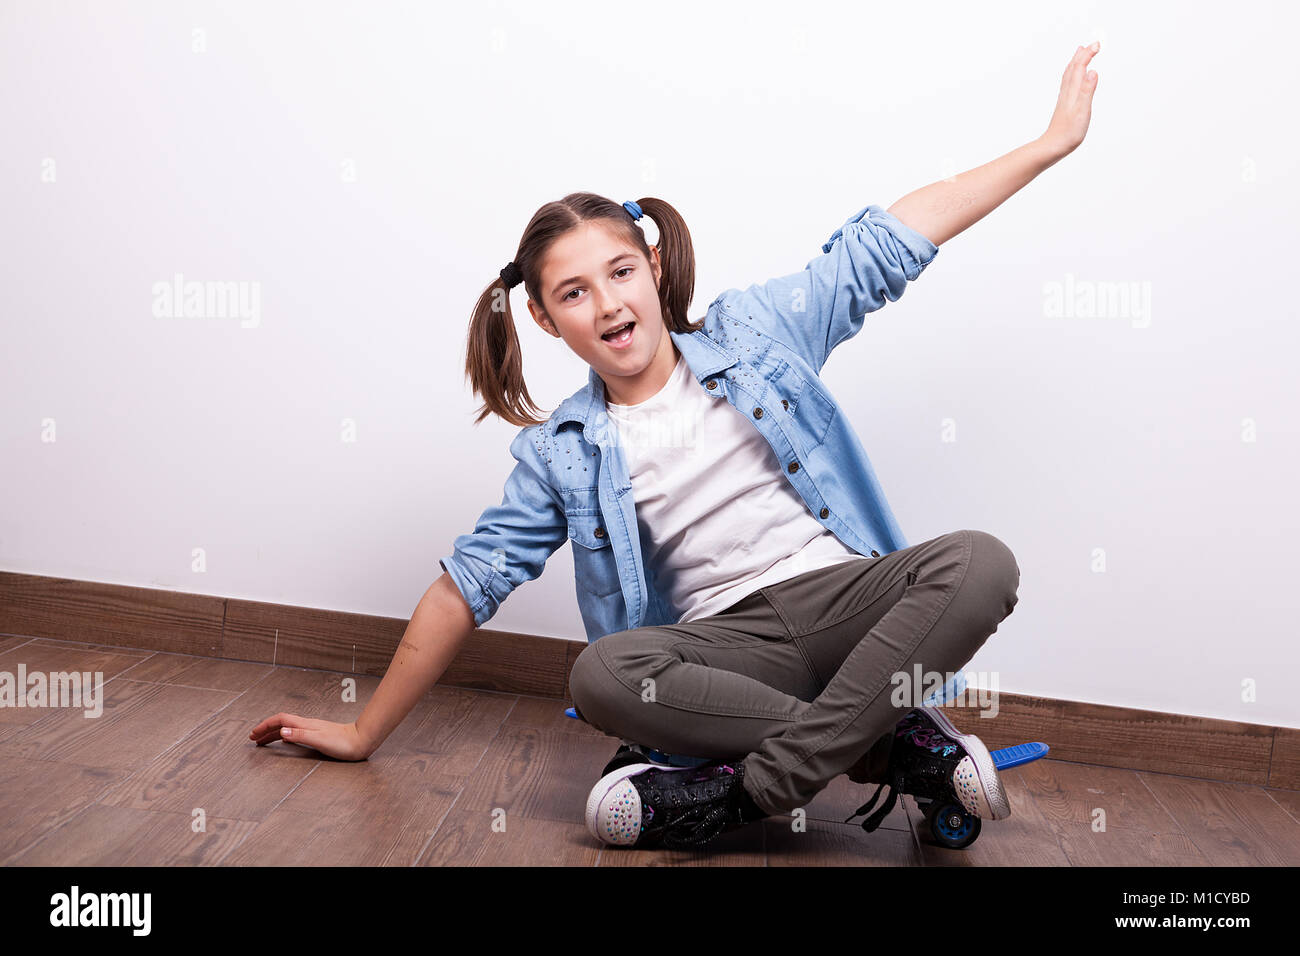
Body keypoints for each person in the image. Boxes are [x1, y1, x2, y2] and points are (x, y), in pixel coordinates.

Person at [250, 43, 1101, 852]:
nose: (609, 304)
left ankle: (746, 793)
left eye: (620, 272)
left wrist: (1048, 145)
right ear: (546, 320)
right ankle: (901, 750)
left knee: (980, 562)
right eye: (574, 294)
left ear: (653, 267)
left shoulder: (755, 334)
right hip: (725, 655)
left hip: (848, 613)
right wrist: (363, 732)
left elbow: (886, 242)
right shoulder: (564, 453)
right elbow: (462, 590)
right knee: (601, 677)